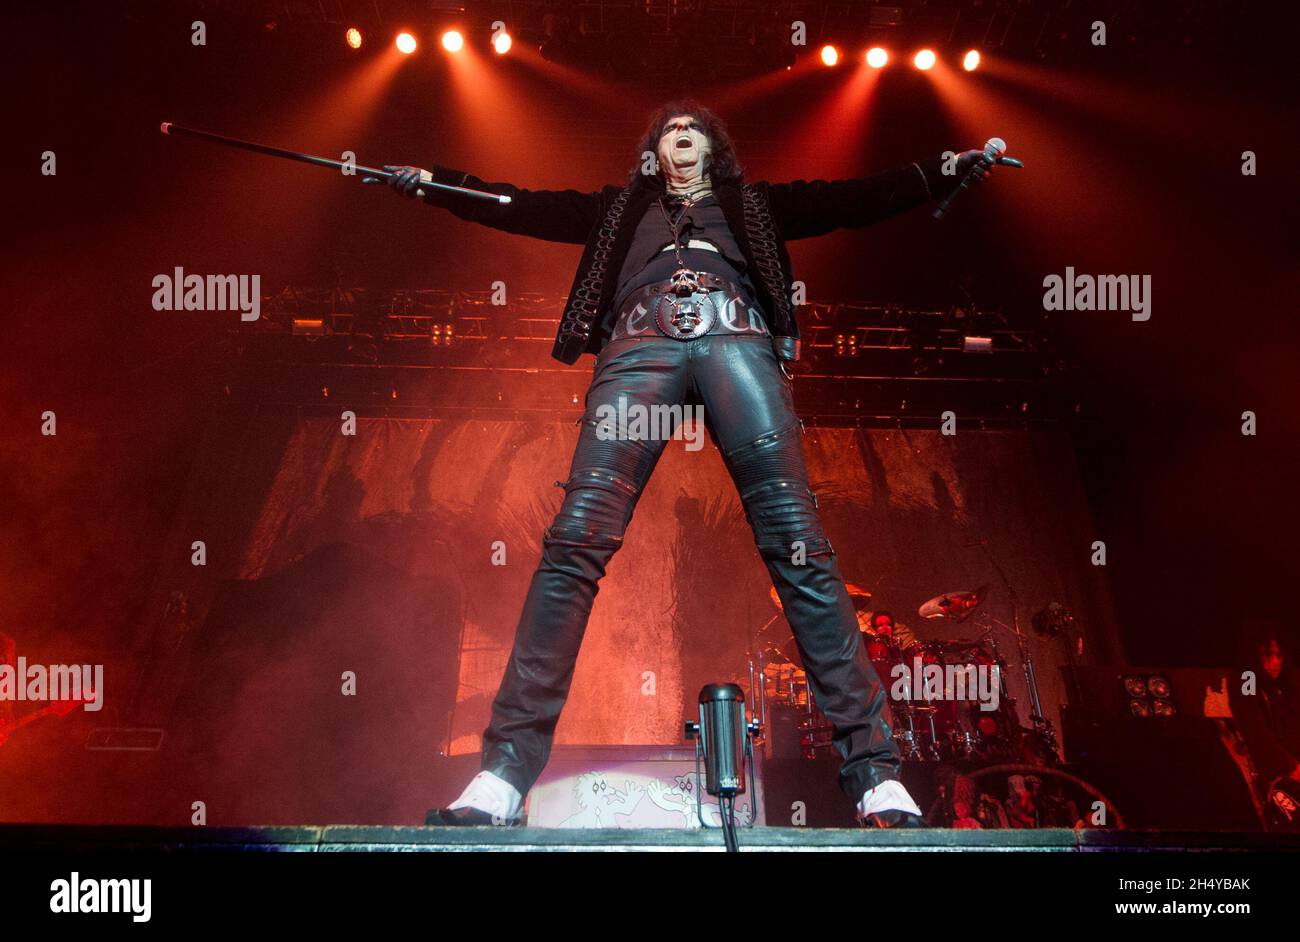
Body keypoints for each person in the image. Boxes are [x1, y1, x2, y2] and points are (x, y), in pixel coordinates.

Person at [385, 99, 1008, 827]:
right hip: (638, 343)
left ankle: (875, 775)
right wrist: (430, 180)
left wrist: (941, 170)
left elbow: (851, 199)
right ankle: (501, 776)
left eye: (693, 131)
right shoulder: (619, 210)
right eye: (668, 132)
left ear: (713, 150)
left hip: (736, 340)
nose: (680, 138)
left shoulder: (757, 206)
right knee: (575, 541)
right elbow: (519, 205)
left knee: (796, 543)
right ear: (653, 153)